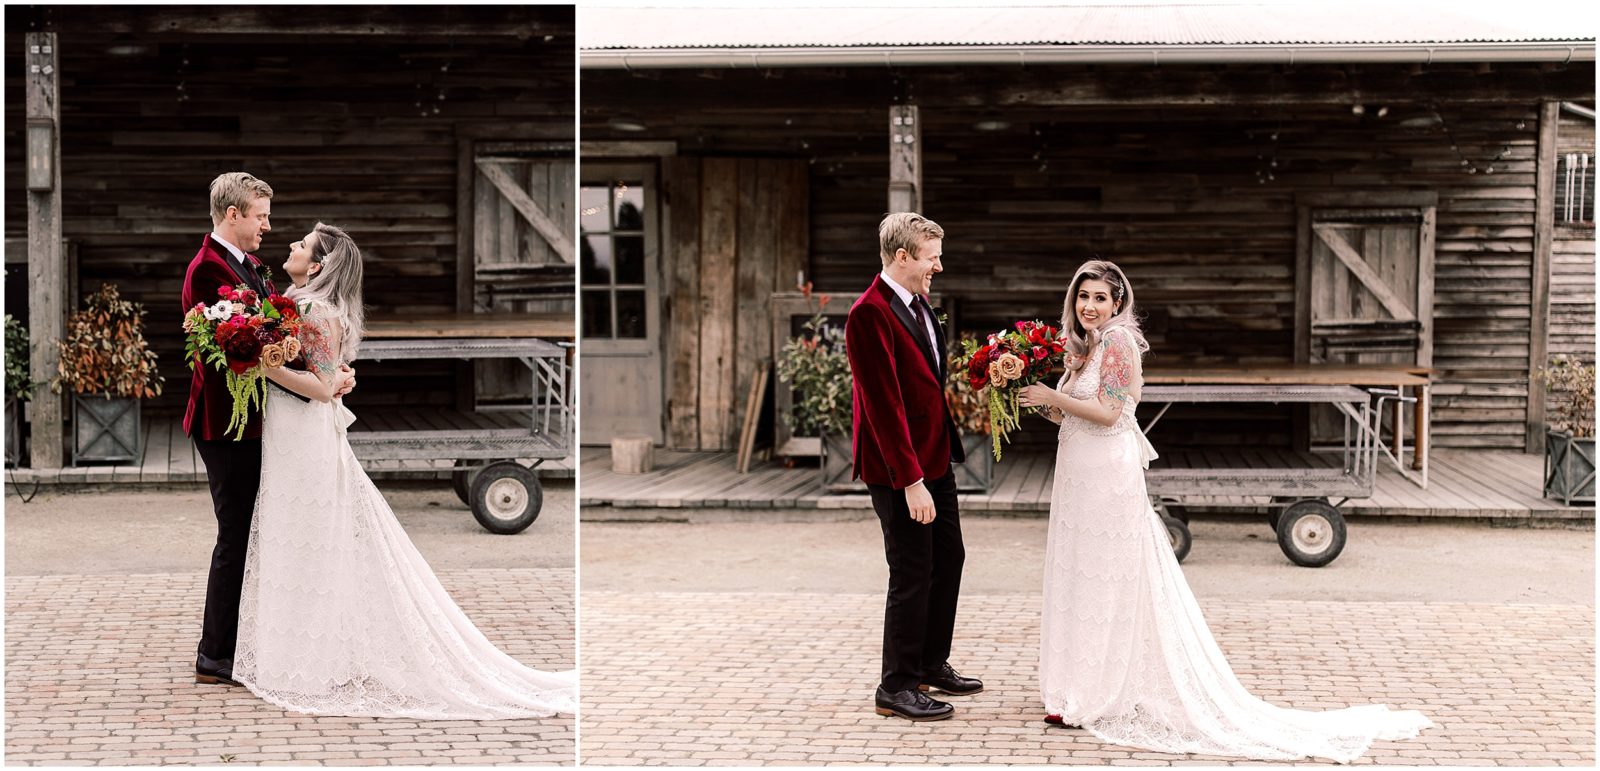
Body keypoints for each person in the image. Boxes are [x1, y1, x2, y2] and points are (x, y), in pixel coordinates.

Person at [1017, 260, 1431, 763]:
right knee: (1080, 575)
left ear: (1118, 303)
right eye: (1083, 296)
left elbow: (1108, 413)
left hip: (1107, 474)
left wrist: (1052, 394)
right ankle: (1076, 685)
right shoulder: (1084, 350)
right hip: (1076, 473)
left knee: (1107, 576)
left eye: (1100, 298)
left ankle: (1101, 690)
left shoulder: (1120, 343)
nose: (1089, 305)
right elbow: (1065, 412)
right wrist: (1028, 389)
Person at [230, 222, 576, 719]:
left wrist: (259, 365)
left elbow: (325, 387)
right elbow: (332, 377)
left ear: (320, 264)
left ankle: (310, 662)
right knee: (295, 537)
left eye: (302, 245)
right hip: (291, 434)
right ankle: (296, 656)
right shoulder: (300, 301)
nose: (290, 245)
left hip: (305, 437)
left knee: (306, 538)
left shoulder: (313, 308)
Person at [182, 172, 357, 687]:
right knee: (236, 535)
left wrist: (330, 372)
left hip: (265, 420)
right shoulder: (206, 271)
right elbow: (241, 350)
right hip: (226, 425)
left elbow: (288, 339)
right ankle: (215, 656)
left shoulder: (251, 265)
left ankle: (254, 643)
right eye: (260, 216)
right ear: (232, 215)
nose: (268, 226)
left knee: (262, 533)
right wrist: (320, 382)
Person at [845, 212, 980, 723]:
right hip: (899, 471)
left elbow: (926, 380)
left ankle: (929, 662)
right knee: (911, 573)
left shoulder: (920, 304)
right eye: (931, 257)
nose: (938, 267)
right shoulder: (869, 313)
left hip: (934, 457)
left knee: (950, 559)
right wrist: (911, 482)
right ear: (902, 257)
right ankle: (896, 686)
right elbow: (883, 405)